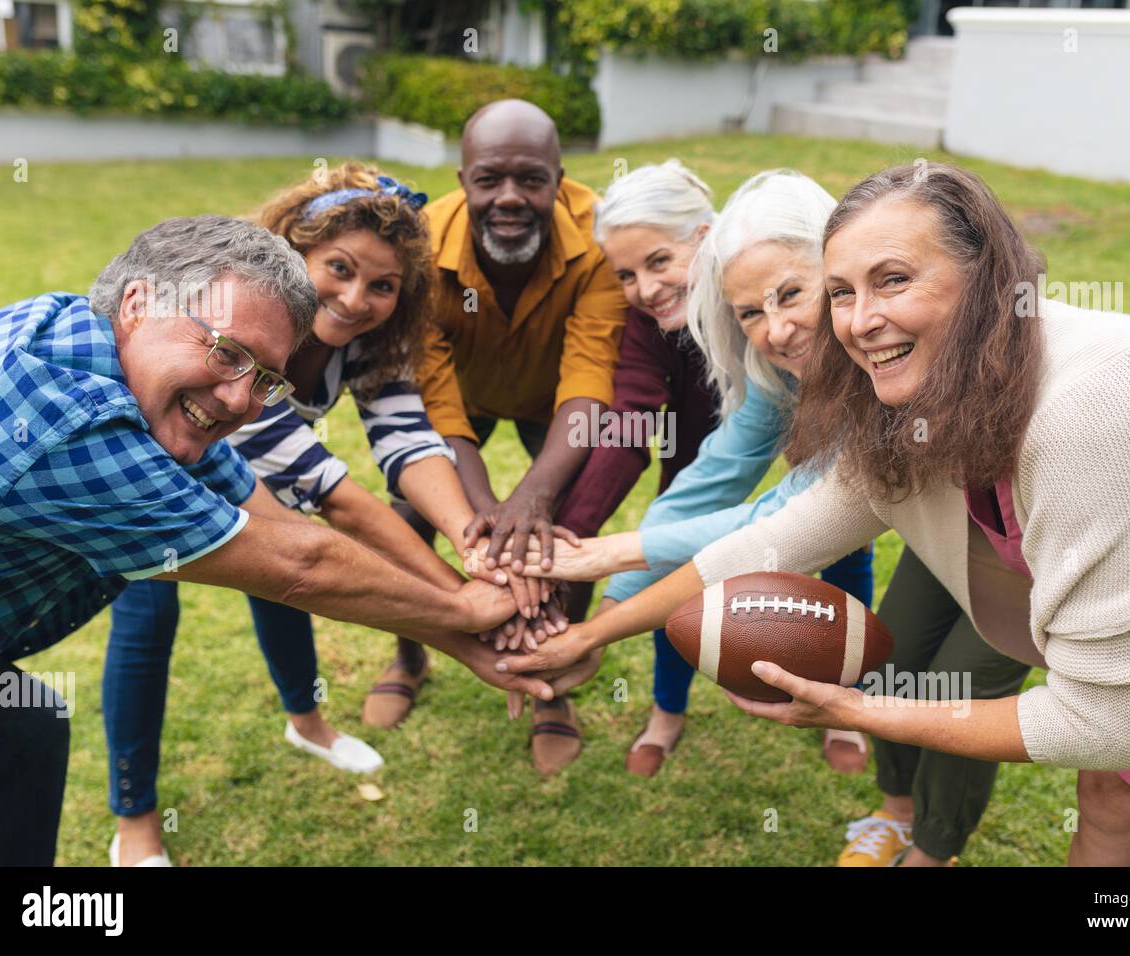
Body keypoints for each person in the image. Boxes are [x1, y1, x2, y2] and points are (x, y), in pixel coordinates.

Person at [499, 162, 1130, 866]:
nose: (860, 320)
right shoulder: (911, 402)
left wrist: (859, 710)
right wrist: (589, 634)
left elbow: (1099, 722)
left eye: (893, 280)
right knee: (1115, 795)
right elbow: (772, 539)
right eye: (842, 291)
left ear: (987, 278)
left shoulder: (1086, 413)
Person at [0, 215, 569, 867]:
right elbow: (299, 564)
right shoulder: (73, 430)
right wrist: (469, 615)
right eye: (227, 353)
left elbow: (274, 517)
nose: (237, 399)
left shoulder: (83, 337)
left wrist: (465, 614)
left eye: (264, 381)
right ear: (140, 301)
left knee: (23, 729)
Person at [100, 165, 528, 866]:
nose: (356, 298)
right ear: (293, 249)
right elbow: (336, 497)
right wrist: (464, 602)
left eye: (384, 285)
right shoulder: (252, 335)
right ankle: (136, 820)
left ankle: (307, 721)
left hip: (235, 468)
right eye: (339, 268)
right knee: (151, 622)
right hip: (149, 463)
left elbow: (408, 442)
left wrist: (469, 544)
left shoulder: (370, 338)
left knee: (282, 577)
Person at [552, 168, 877, 778]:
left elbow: (784, 519)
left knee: (845, 559)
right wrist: (604, 615)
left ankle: (845, 708)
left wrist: (605, 557)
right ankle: (666, 711)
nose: (775, 328)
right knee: (688, 563)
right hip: (800, 490)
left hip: (960, 530)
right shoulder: (771, 358)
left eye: (790, 295)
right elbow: (709, 479)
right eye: (750, 312)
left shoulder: (876, 358)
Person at [397, 98, 629, 775]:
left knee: (570, 525)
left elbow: (589, 381)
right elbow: (437, 402)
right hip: (462, 403)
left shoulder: (600, 241)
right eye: (489, 178)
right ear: (463, 179)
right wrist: (481, 514)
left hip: (556, 405)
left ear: (560, 180)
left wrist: (533, 497)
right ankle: (410, 655)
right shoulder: (417, 248)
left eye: (531, 179)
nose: (509, 198)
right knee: (412, 518)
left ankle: (554, 676)